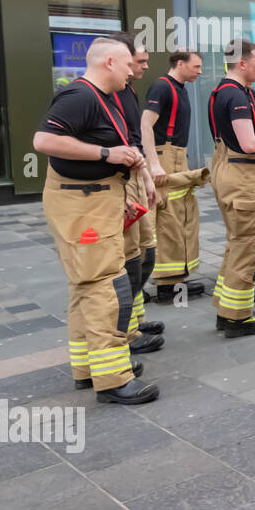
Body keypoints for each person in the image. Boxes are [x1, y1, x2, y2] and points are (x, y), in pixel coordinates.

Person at [34, 38, 159, 405]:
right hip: (82, 202)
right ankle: (113, 379)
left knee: (86, 286)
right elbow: (43, 140)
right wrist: (106, 152)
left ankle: (90, 367)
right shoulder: (81, 96)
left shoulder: (104, 97)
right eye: (127, 66)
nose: (132, 72)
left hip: (96, 198)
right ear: (109, 62)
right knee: (107, 287)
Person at [208, 39, 255, 336]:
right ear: (242, 64)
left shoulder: (221, 92)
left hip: (227, 170)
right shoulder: (237, 96)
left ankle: (226, 310)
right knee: (250, 245)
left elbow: (235, 132)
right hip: (243, 176)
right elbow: (250, 144)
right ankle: (239, 318)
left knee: (237, 242)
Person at [108, 33, 163, 355]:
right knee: (129, 259)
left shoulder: (126, 92)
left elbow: (132, 141)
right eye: (137, 62)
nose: (140, 69)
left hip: (134, 179)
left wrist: (146, 178)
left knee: (145, 254)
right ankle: (125, 332)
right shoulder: (95, 96)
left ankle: (133, 321)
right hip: (119, 183)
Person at [143, 49, 205, 303]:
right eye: (196, 67)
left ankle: (176, 278)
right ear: (180, 64)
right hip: (165, 157)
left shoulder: (179, 88)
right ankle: (167, 286)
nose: (200, 72)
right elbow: (145, 125)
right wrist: (154, 164)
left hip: (177, 155)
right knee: (167, 218)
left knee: (180, 215)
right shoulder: (162, 87)